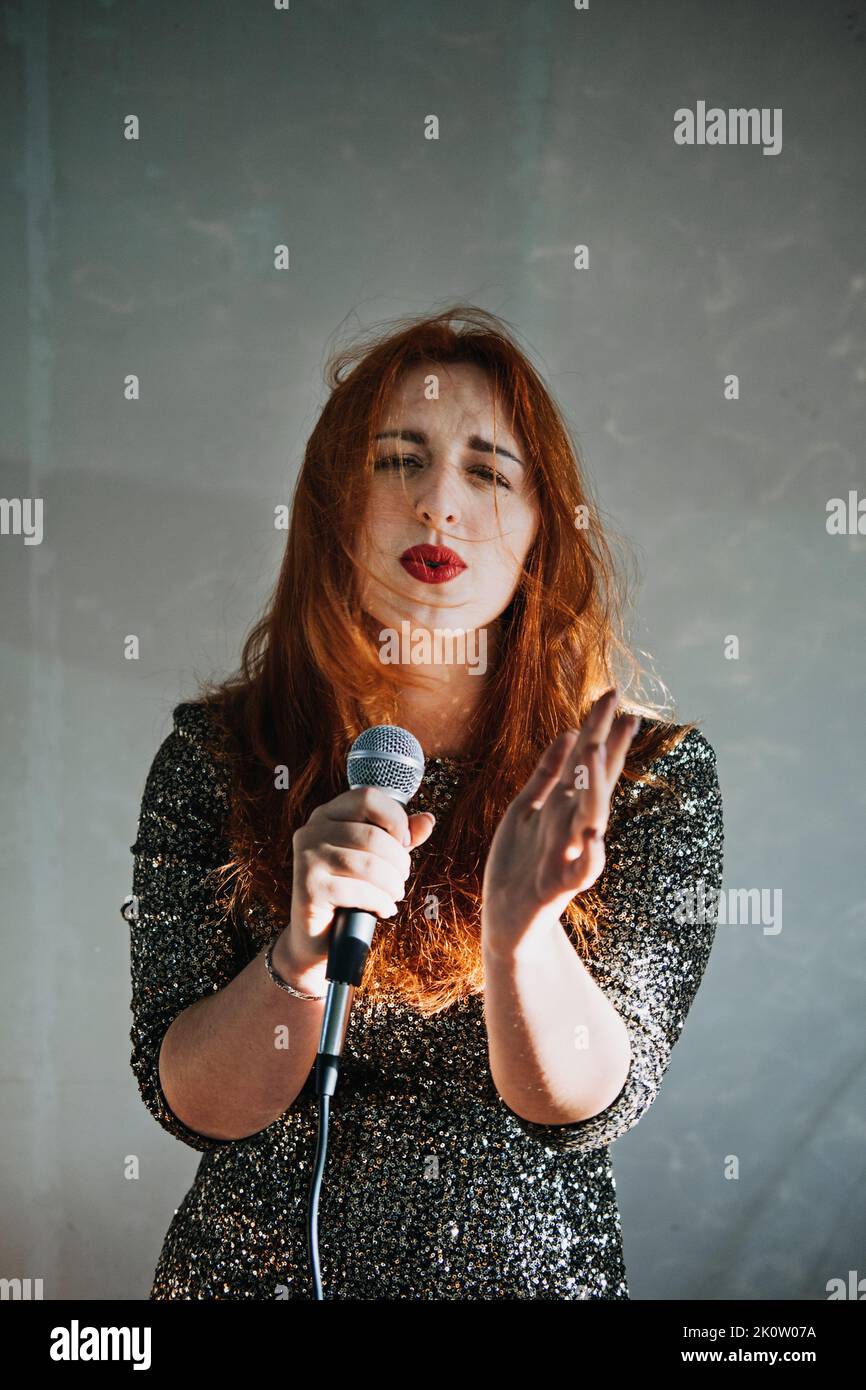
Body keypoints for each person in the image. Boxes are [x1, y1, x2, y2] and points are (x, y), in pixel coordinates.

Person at [122, 304, 724, 1300]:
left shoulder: (639, 776)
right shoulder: (222, 754)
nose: (438, 504)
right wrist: (299, 955)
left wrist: (521, 932)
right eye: (399, 460)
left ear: (539, 528)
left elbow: (584, 1102)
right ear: (334, 506)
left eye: (487, 472)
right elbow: (193, 1100)